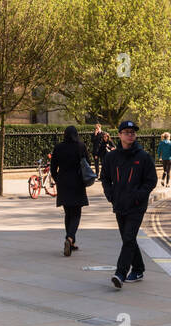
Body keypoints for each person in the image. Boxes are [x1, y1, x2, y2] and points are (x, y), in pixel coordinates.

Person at [101, 120, 157, 289]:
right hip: (119, 203)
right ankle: (138, 269)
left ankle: (120, 274)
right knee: (128, 238)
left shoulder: (143, 157)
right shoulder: (111, 157)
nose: (130, 135)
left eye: (132, 132)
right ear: (119, 135)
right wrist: (110, 195)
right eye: (126, 132)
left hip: (137, 205)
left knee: (128, 238)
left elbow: (151, 180)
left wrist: (138, 196)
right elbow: (105, 178)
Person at [49, 125, 90, 255]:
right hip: (78, 182)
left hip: (63, 182)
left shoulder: (59, 147)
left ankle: (71, 242)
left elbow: (53, 167)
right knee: (77, 213)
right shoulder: (81, 146)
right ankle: (70, 237)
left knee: (68, 213)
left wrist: (57, 180)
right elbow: (87, 164)